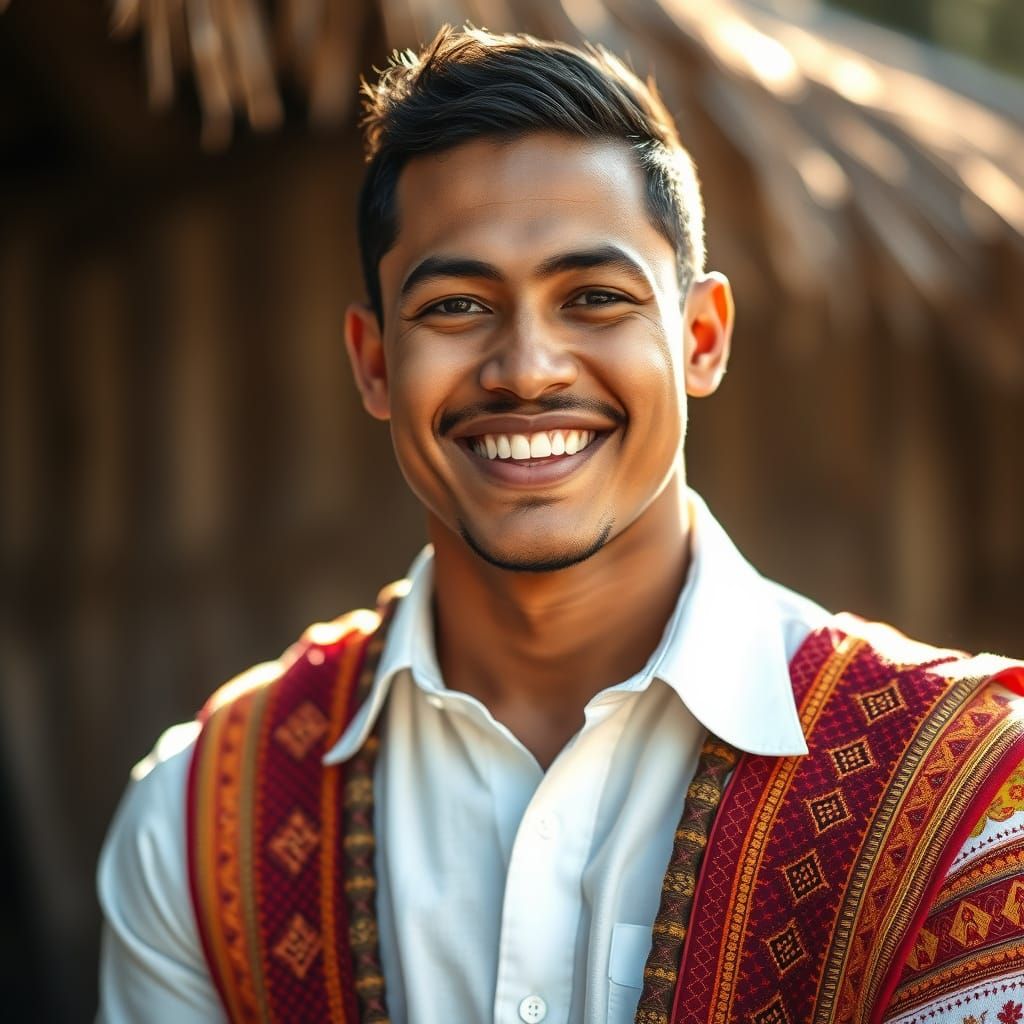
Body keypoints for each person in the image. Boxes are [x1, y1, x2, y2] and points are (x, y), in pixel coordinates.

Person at [96, 25, 1024, 1024]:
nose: (527, 368)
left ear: (701, 338)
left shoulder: (964, 792)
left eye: (593, 296)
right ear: (372, 361)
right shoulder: (202, 826)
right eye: (456, 305)